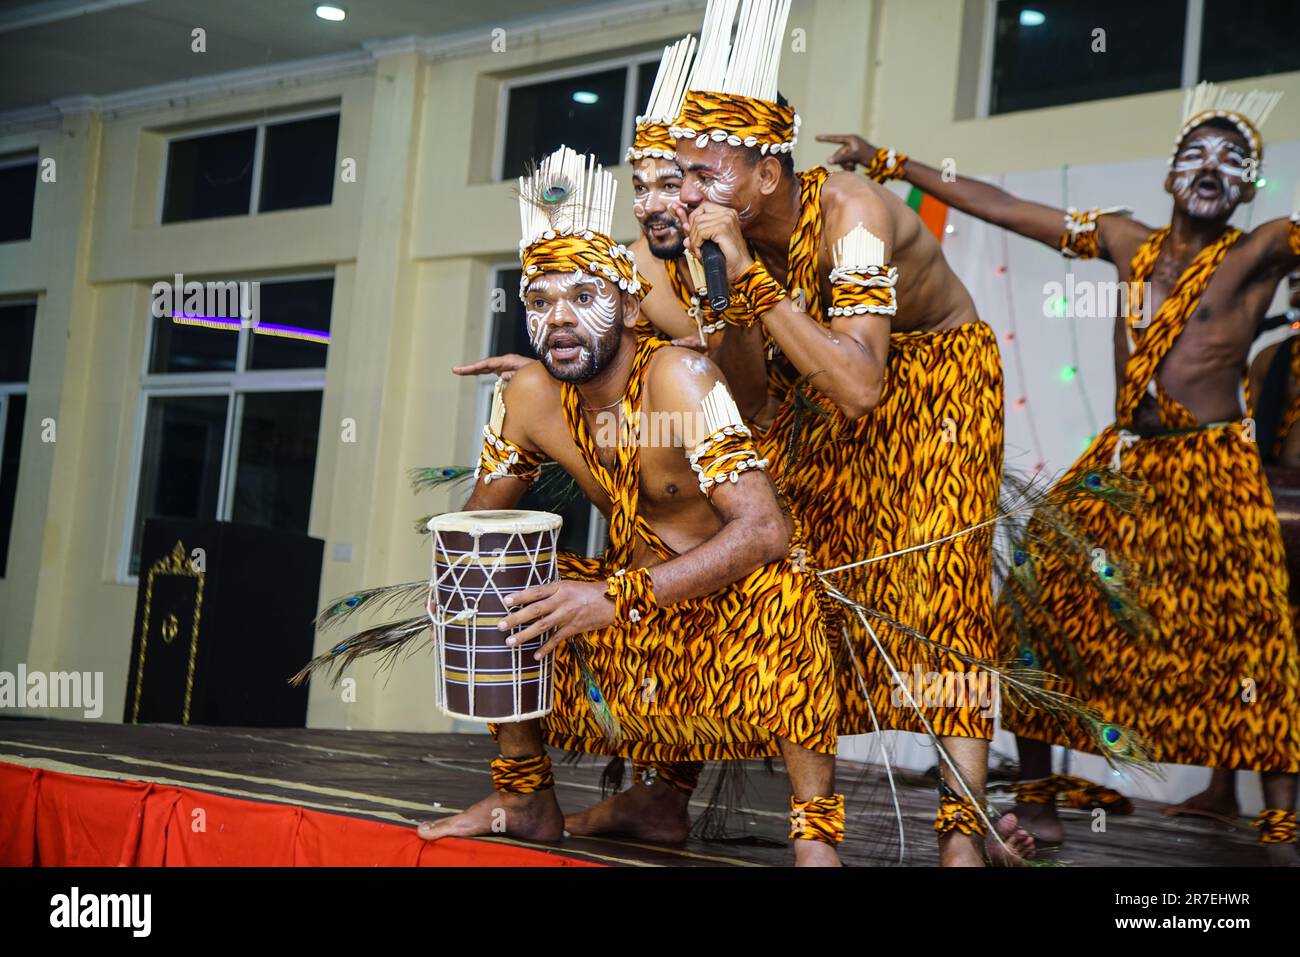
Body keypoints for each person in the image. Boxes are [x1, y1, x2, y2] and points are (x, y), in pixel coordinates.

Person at [820, 82, 1300, 860]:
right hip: (1126, 463)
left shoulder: (1259, 249)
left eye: (1233, 159)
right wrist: (892, 161)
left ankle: (1280, 828)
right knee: (1042, 606)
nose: (1213, 168)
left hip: (1215, 472)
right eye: (1197, 154)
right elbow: (1004, 208)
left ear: (1250, 183)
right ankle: (1036, 798)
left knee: (1250, 636)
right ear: (1172, 172)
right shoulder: (1124, 241)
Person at [651, 0, 1036, 867]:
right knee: (798, 582)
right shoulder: (715, 246)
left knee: (940, 599)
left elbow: (864, 386)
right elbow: (751, 394)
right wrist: (728, 295)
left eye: (705, 174)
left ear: (765, 172)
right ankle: (814, 834)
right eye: (679, 175)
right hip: (810, 386)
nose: (687, 195)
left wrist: (749, 279)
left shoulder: (851, 217)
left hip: (935, 388)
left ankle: (962, 837)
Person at [419, 145, 844, 865]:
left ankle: (816, 839)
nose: (558, 319)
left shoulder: (681, 377)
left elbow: (766, 530)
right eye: (539, 301)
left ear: (625, 303)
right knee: (485, 577)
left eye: (582, 298)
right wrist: (459, 586)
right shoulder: (528, 398)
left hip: (726, 625)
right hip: (630, 631)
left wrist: (617, 597)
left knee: (785, 587)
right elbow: (472, 530)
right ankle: (525, 798)